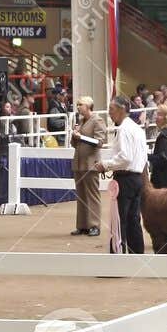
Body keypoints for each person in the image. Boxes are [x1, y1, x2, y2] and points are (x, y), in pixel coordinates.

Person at [103, 93, 147, 253]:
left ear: (121, 109)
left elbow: (125, 158)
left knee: (119, 219)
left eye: (111, 109)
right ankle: (137, 253)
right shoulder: (137, 129)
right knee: (133, 219)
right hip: (137, 178)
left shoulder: (123, 130)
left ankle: (117, 256)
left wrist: (106, 165)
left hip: (125, 179)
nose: (109, 112)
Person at [70, 94, 106, 236]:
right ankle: (82, 225)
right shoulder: (80, 121)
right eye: (78, 105)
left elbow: (100, 142)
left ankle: (94, 225)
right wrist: (75, 135)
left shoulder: (97, 120)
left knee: (92, 195)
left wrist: (82, 137)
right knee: (81, 195)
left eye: (81, 105)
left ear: (88, 106)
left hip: (91, 163)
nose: (78, 107)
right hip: (79, 163)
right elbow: (74, 144)